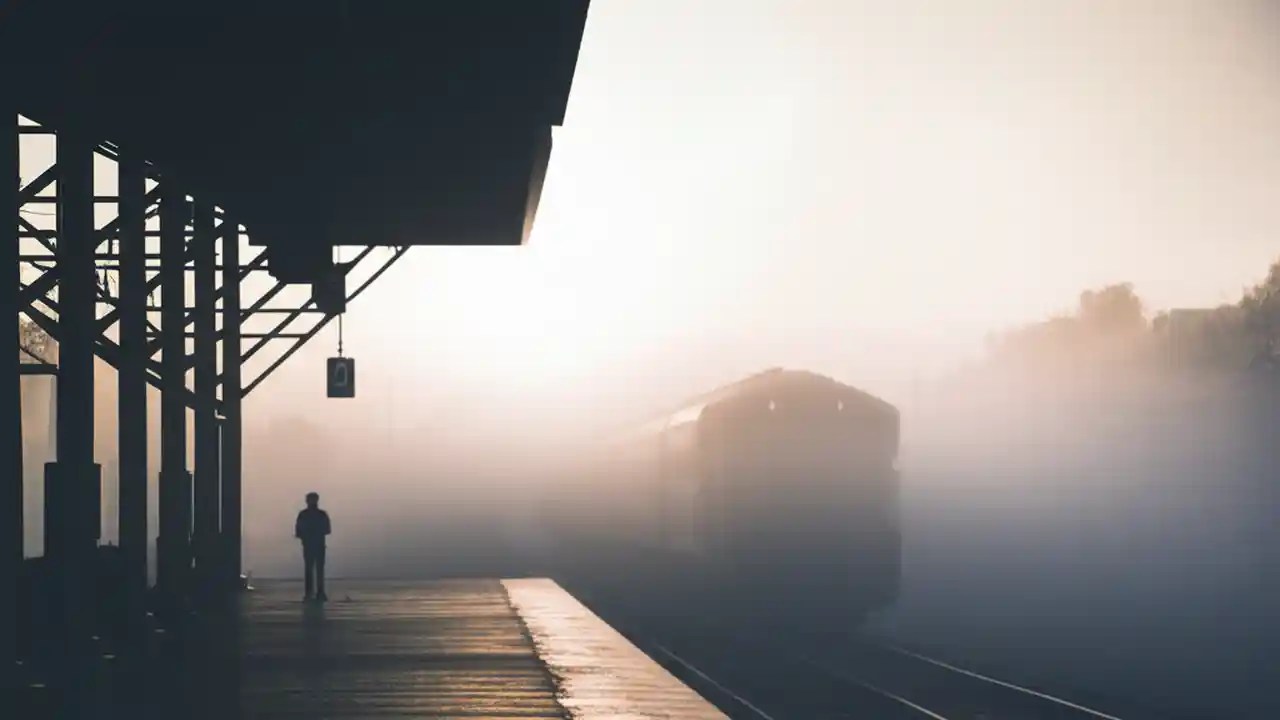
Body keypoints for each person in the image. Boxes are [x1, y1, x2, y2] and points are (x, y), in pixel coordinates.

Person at [295, 492, 331, 601]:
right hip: (317, 545)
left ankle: (311, 593)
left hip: (311, 545)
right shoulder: (321, 514)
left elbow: (298, 532)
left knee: (311, 570)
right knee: (316, 570)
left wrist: (307, 535)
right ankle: (317, 593)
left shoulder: (304, 515)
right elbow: (327, 530)